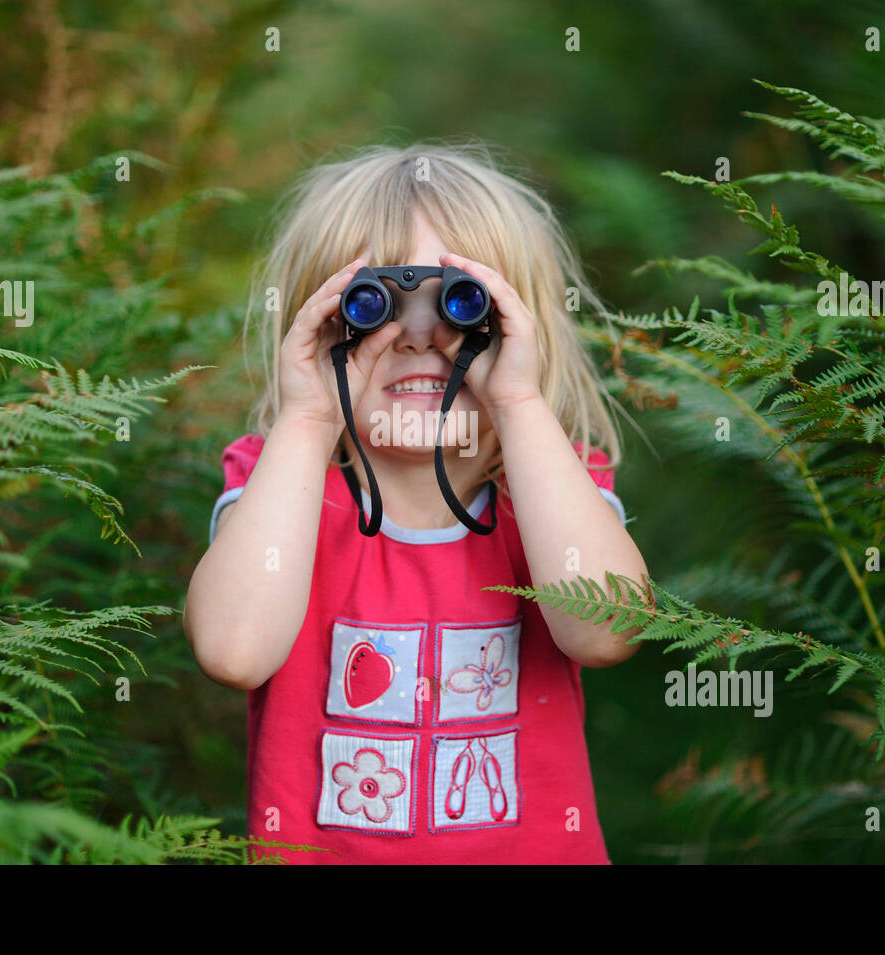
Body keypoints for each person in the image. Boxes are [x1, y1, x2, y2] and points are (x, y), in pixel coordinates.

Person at [183, 141, 652, 863]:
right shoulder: (284, 488)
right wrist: (308, 419)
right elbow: (233, 649)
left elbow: (608, 628)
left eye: (464, 301)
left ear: (516, 327)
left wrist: (519, 401)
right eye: (371, 305)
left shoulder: (552, 492)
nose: (419, 335)